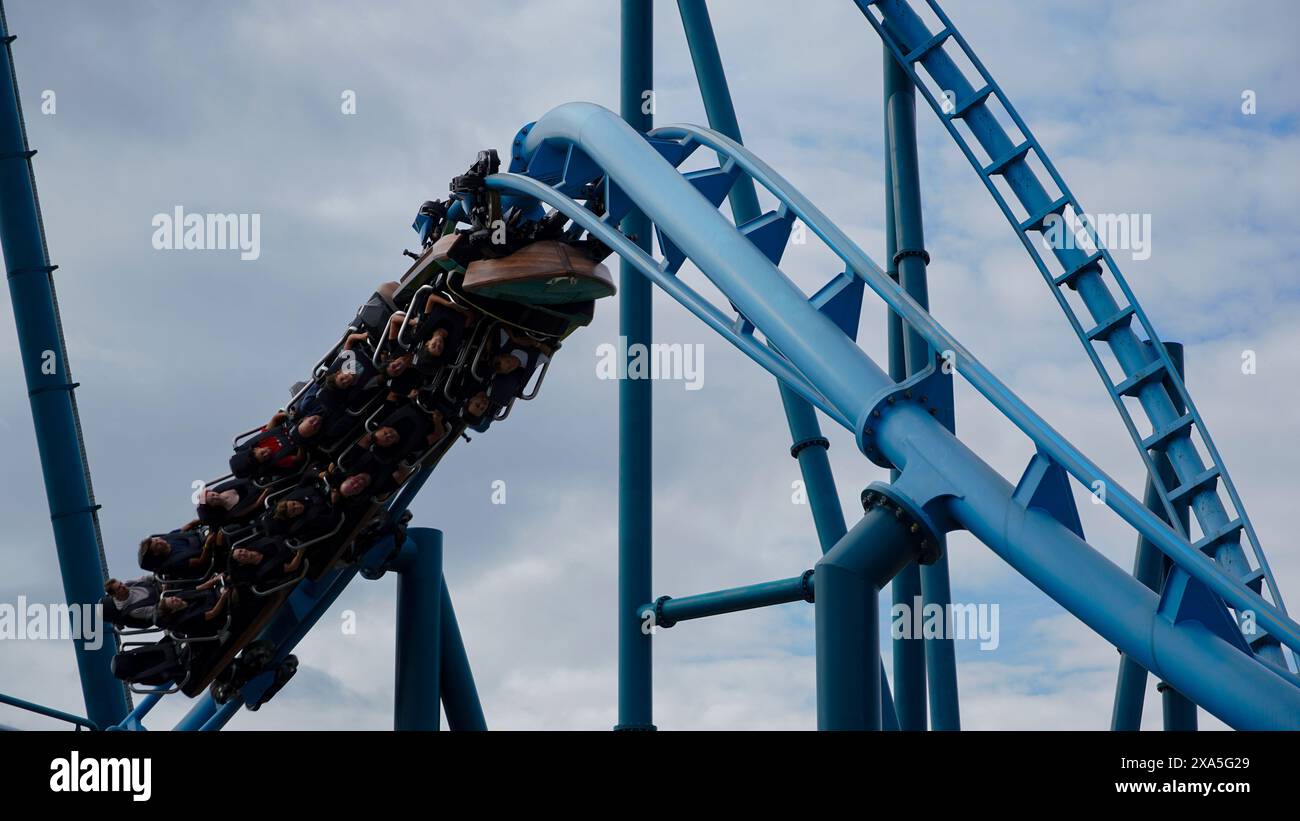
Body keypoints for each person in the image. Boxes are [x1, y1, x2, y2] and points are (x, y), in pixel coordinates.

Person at [137, 527, 213, 578]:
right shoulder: (174, 563)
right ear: (156, 553)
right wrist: (208, 544)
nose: (160, 541)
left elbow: (189, 526)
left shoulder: (170, 537)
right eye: (157, 545)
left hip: (205, 535)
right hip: (212, 554)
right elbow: (202, 561)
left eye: (156, 540)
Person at [195, 478, 266, 527]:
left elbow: (238, 480)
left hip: (256, 481)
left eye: (213, 495)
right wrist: (266, 490)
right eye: (212, 500)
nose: (215, 497)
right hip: (264, 493)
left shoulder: (221, 488)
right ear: (213, 506)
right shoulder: (233, 513)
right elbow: (257, 504)